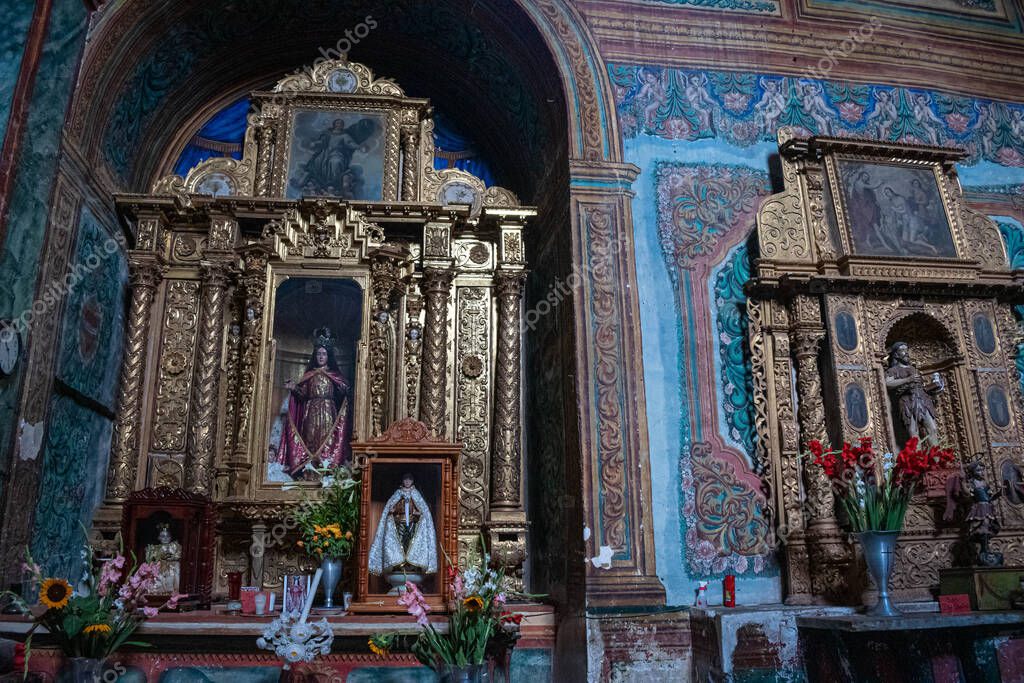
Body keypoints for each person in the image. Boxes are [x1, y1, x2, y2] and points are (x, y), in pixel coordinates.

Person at [276, 328, 351, 478]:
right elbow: (303, 394)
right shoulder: (309, 375)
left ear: (328, 356)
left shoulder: (334, 375)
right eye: (318, 354)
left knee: (327, 439)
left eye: (324, 354)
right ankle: (309, 473)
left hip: (329, 411)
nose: (321, 356)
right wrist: (294, 388)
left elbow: (341, 393)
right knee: (310, 440)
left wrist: (343, 389)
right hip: (310, 412)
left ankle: (327, 473)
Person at [367, 473, 438, 576]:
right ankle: (400, 565)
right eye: (405, 480)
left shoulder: (416, 494)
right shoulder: (398, 493)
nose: (407, 482)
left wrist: (418, 513)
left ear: (412, 481)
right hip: (400, 522)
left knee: (410, 542)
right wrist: (392, 510)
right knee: (400, 542)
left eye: (409, 480)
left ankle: (411, 565)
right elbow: (391, 507)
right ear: (402, 481)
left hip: (412, 523)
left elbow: (422, 509)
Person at [884, 341, 943, 442]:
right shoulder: (893, 370)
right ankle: (916, 458)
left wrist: (934, 387)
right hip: (907, 401)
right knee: (913, 432)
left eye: (906, 350)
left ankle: (936, 457)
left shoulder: (913, 368)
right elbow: (887, 383)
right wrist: (907, 379)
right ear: (896, 354)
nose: (906, 352)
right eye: (902, 350)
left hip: (922, 399)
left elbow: (921, 386)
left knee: (932, 429)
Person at [146, 525, 181, 594]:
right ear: (158, 537)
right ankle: (157, 591)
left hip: (172, 566)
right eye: (162, 536)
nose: (165, 538)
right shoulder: (155, 548)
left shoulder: (174, 546)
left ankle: (172, 591)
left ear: (171, 537)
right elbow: (151, 558)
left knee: (173, 574)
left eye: (167, 536)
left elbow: (178, 555)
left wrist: (171, 557)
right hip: (159, 566)